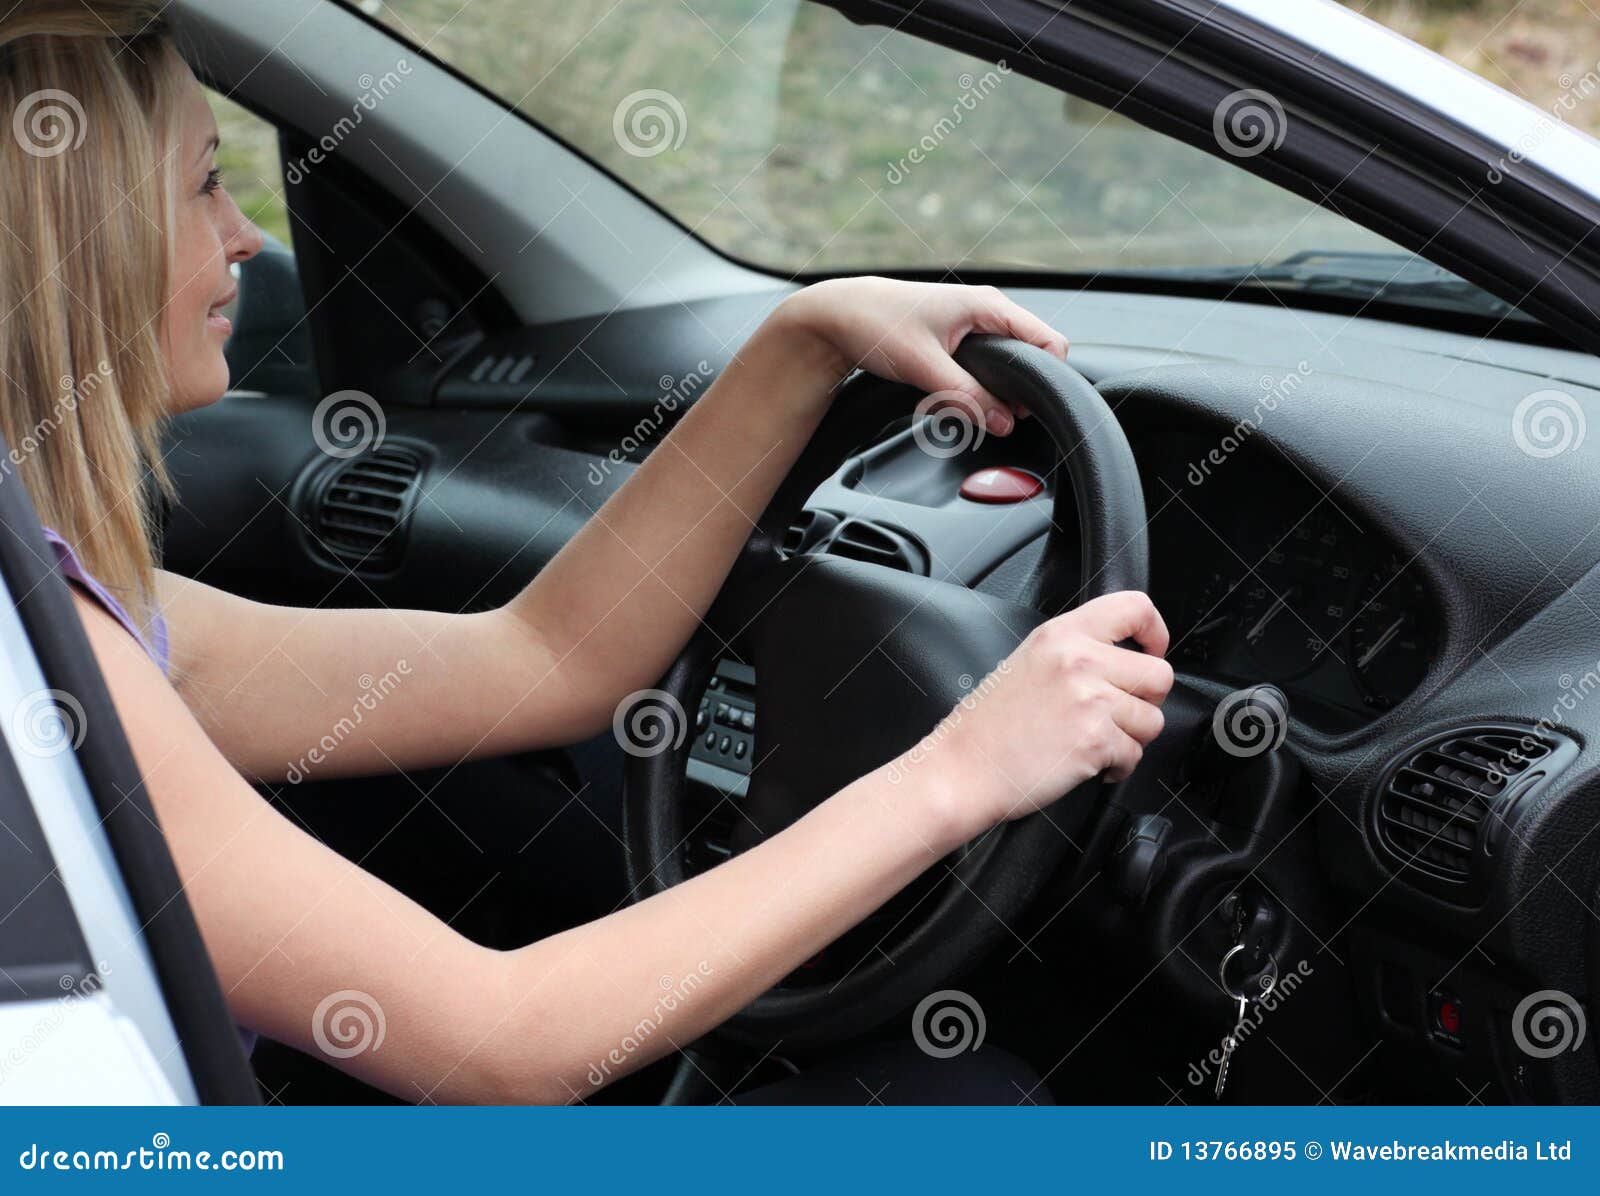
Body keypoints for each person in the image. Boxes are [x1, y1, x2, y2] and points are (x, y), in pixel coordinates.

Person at [0, 1, 1174, 1104]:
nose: (246, 233)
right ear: (70, 244)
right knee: (972, 1103)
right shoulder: (44, 663)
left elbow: (548, 656)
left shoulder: (69, 608)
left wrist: (802, 340)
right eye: (206, 185)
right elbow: (500, 1040)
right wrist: (965, 766)